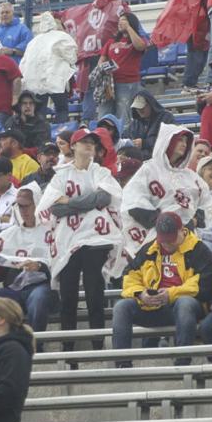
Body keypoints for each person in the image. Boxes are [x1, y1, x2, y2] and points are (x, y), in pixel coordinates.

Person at [38, 128, 124, 346]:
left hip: (97, 238)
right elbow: (54, 209)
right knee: (68, 297)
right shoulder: (61, 175)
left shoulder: (101, 172)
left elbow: (104, 198)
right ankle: (68, 352)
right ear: (73, 146)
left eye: (92, 142)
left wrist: (70, 202)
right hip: (67, 241)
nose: (89, 145)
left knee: (95, 295)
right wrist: (89, 201)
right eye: (84, 141)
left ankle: (97, 346)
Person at [113, 211, 212, 366]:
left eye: (171, 240)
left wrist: (171, 294)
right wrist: (141, 294)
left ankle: (182, 362)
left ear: (182, 231)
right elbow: (129, 276)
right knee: (121, 307)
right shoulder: (149, 250)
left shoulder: (199, 250)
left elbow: (205, 283)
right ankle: (122, 364)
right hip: (153, 306)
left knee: (185, 303)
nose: (167, 244)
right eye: (164, 240)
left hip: (187, 307)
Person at [0, 183, 52, 334]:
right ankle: (1, 339)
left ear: (37, 203)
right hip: (14, 290)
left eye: (26, 205)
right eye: (19, 206)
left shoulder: (52, 231)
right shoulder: (10, 234)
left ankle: (35, 343)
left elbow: (60, 266)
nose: (22, 210)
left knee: (39, 298)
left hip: (41, 286)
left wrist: (40, 266)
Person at [121, 124, 210, 262]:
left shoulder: (191, 177)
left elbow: (207, 205)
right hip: (156, 235)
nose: (184, 144)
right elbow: (133, 203)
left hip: (186, 236)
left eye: (186, 141)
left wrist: (197, 219)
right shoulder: (149, 169)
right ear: (168, 141)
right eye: (180, 140)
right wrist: (165, 224)